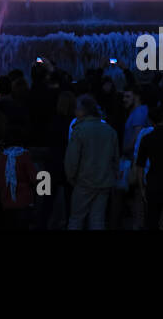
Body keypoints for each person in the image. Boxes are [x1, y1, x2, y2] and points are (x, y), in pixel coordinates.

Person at [66, 94, 118, 230]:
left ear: (83, 111)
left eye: (76, 109)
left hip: (84, 181)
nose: (74, 112)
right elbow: (115, 159)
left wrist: (71, 177)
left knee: (76, 219)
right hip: (104, 181)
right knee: (97, 220)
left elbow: (71, 160)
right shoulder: (110, 131)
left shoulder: (79, 130)